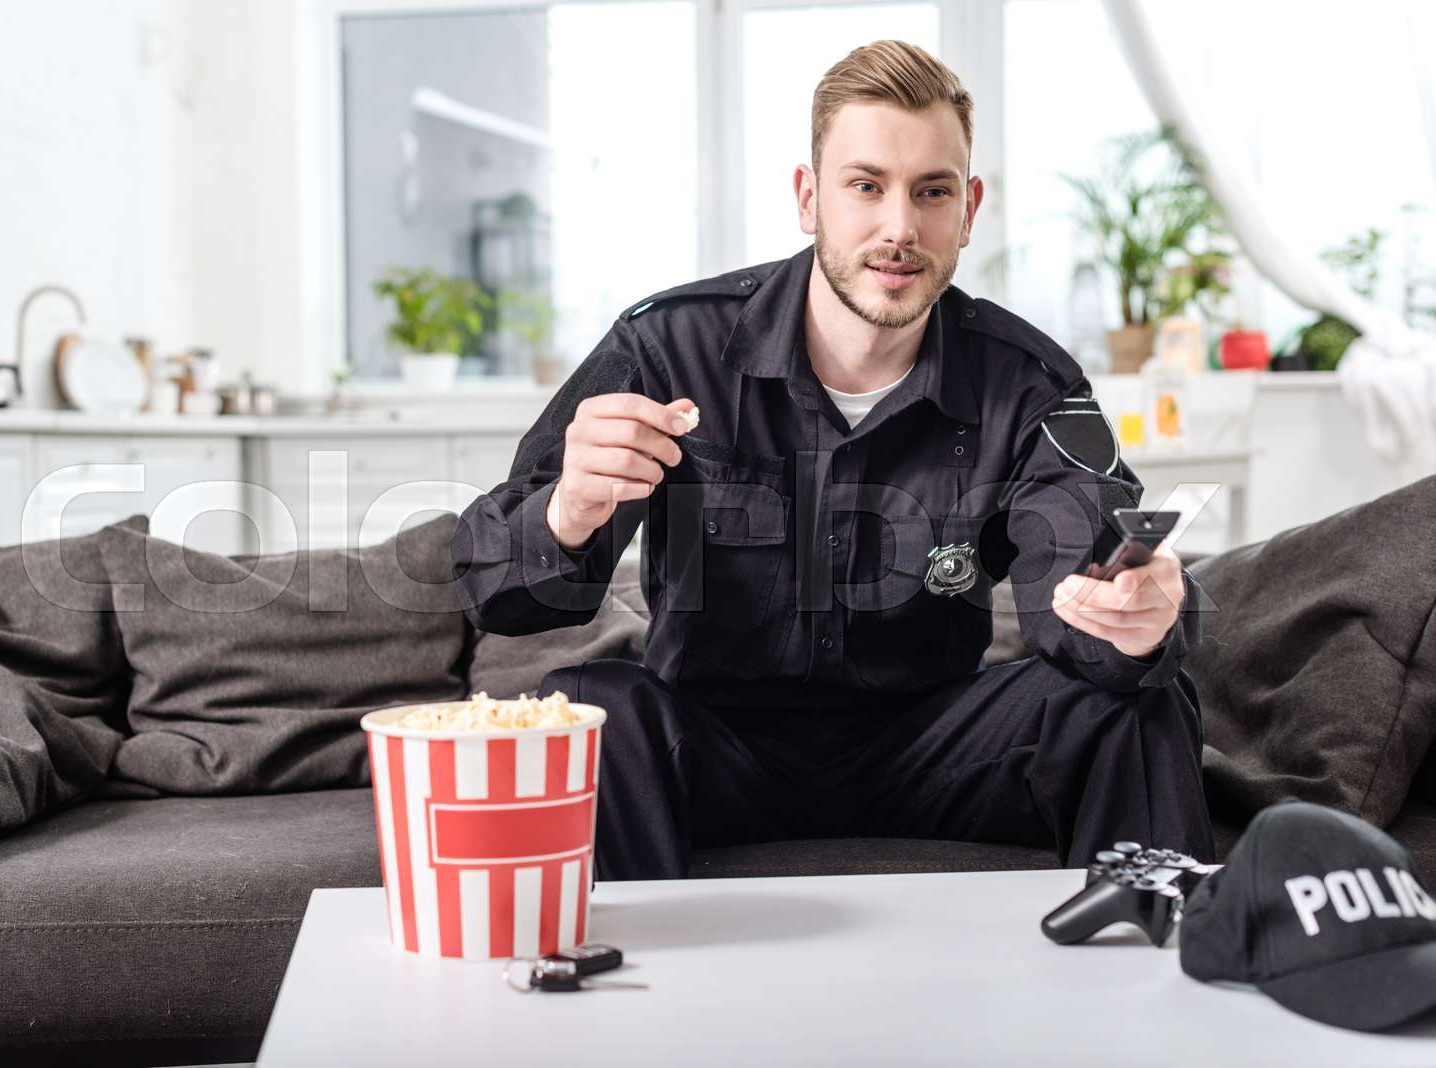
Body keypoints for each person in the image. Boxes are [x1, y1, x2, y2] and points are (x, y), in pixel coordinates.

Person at [451, 39, 1213, 880]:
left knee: (1134, 700)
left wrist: (1139, 620)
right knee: (593, 705)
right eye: (865, 186)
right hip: (711, 747)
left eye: (932, 192)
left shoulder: (1029, 384)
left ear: (969, 209)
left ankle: (1164, 969)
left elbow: (1085, 593)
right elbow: (492, 591)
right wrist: (567, 513)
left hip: (934, 750)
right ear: (809, 198)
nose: (900, 228)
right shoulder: (667, 346)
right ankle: (631, 1006)